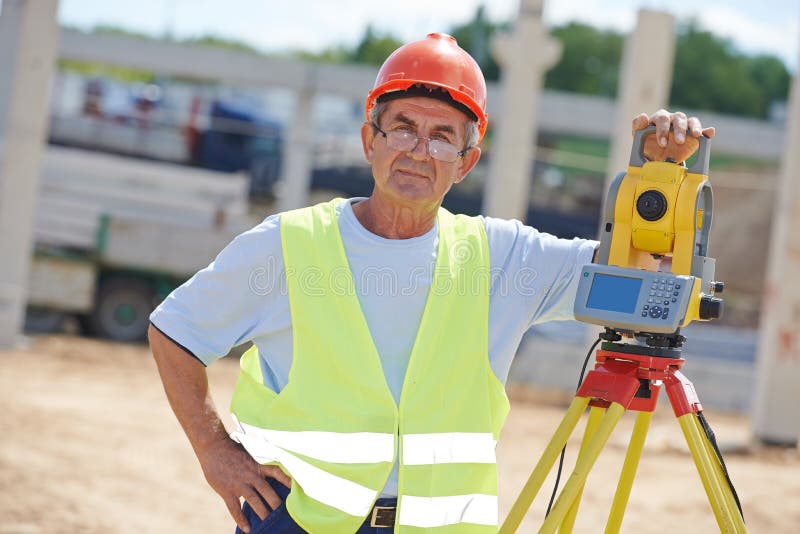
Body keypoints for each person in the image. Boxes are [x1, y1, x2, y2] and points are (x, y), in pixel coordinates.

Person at [148, 33, 714, 533]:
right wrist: (214, 451)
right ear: (371, 141)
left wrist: (662, 176)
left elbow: (638, 276)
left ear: (466, 162)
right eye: (403, 128)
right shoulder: (286, 246)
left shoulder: (505, 257)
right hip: (302, 522)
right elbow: (175, 332)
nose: (420, 151)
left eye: (443, 136)